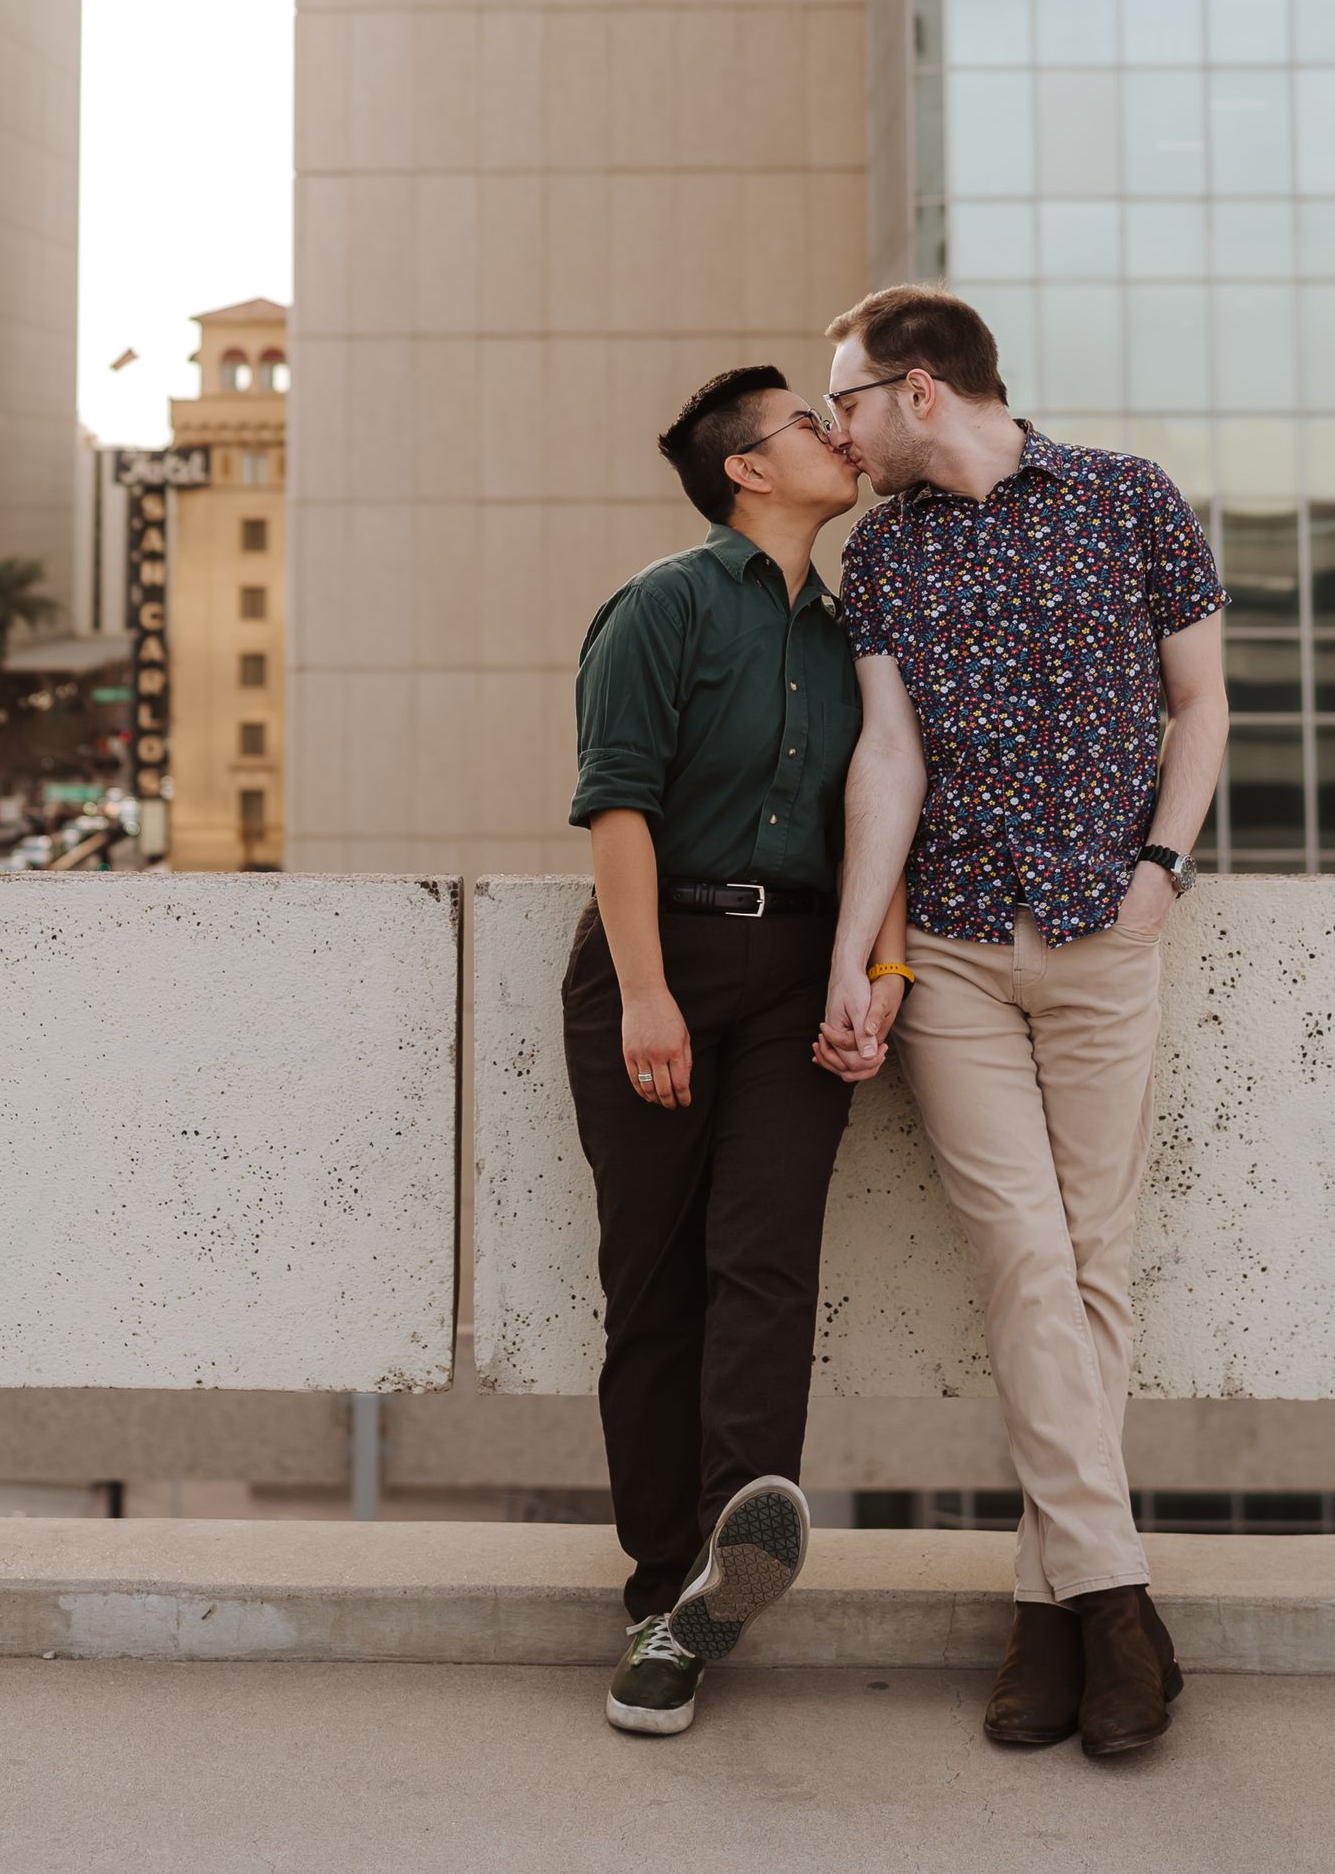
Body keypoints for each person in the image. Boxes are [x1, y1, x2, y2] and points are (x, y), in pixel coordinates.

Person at [817, 283, 1230, 1764]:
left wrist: (1160, 872)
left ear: (919, 389)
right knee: (1026, 1254)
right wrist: (861, 957)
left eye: (848, 399)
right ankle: (1118, 1599)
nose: (837, 430)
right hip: (957, 955)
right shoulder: (881, 555)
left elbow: (1202, 703)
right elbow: (887, 762)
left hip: (1109, 937)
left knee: (1095, 1261)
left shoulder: (1128, 499)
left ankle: (1044, 1604)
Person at [563, 365, 909, 1739]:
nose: (837, 435)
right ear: (749, 469)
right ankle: (661, 1597)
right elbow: (618, 807)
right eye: (808, 424)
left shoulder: (852, 635)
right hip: (659, 966)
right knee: (652, 1288)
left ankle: (730, 1559)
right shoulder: (662, 604)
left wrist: (874, 969)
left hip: (796, 982)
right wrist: (646, 990)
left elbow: (890, 813)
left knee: (765, 1260)